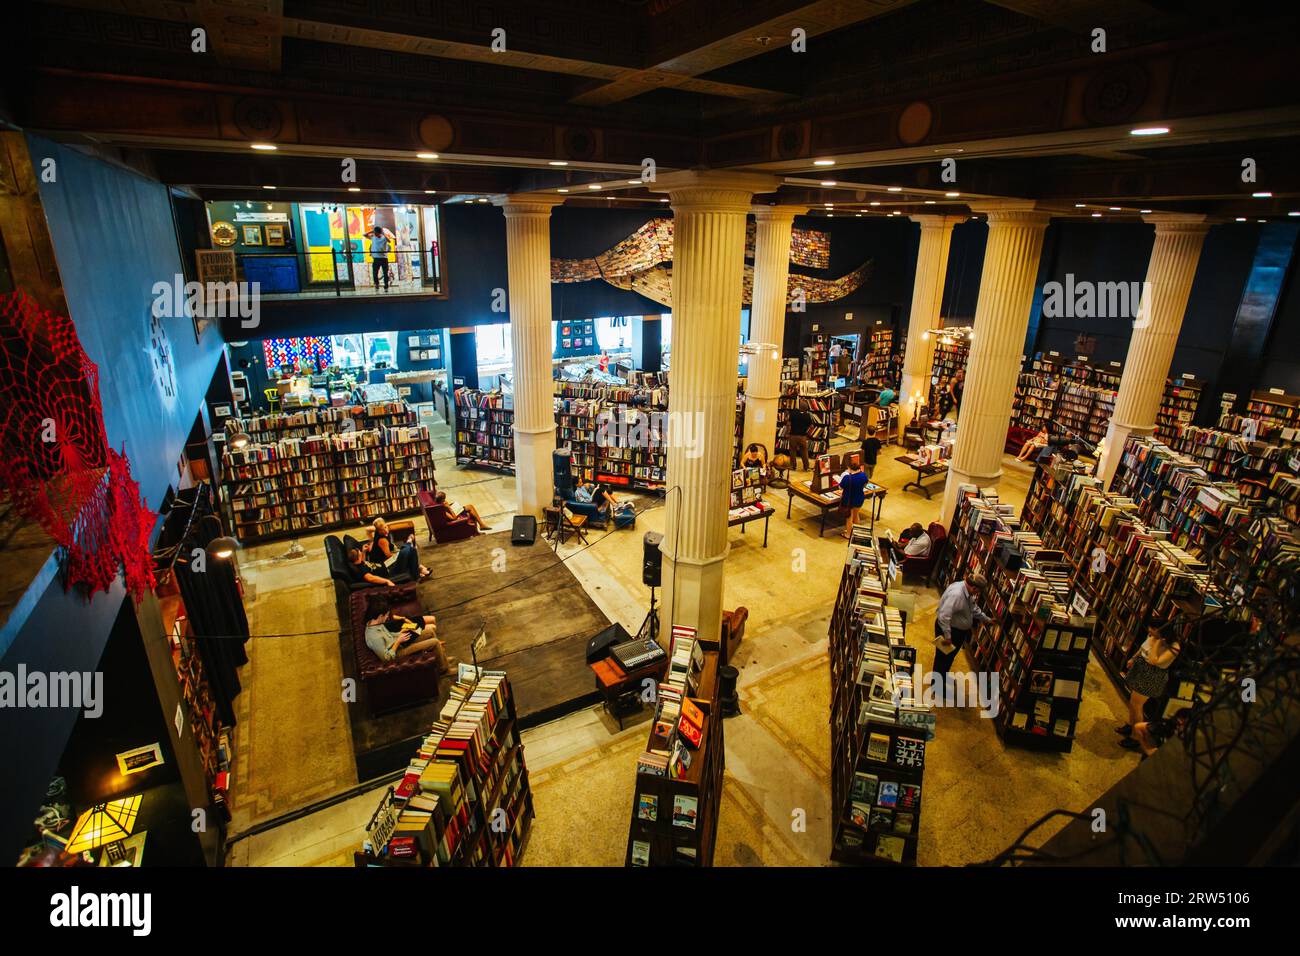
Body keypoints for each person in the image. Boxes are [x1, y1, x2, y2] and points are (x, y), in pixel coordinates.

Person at [1118, 624, 1180, 749]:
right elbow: (1142, 648)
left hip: (1152, 676)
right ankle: (1131, 726)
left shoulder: (1174, 647)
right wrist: (1133, 658)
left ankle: (1136, 737)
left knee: (1137, 706)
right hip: (1141, 670)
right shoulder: (1153, 635)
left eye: (1153, 631)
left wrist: (1157, 642)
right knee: (1132, 702)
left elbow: (1154, 661)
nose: (1150, 633)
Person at [934, 573, 992, 688]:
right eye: (978, 591)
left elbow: (973, 608)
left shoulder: (966, 590)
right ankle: (937, 686)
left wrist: (987, 619)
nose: (977, 594)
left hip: (956, 632)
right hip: (949, 631)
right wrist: (948, 636)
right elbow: (944, 616)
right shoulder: (957, 595)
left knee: (949, 657)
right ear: (974, 588)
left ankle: (943, 676)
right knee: (942, 659)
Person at [362, 599, 453, 672]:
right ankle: (443, 668)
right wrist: (398, 642)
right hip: (398, 652)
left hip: (399, 642)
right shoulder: (374, 637)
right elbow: (387, 659)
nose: (387, 617)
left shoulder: (375, 623)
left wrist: (400, 633)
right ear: (380, 616)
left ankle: (442, 658)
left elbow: (390, 636)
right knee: (435, 642)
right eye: (386, 615)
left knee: (429, 630)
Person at [346, 542, 424, 586]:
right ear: (358, 556)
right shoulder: (361, 571)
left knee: (409, 550)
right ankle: (416, 576)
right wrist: (387, 581)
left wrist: (363, 551)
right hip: (390, 571)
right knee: (408, 550)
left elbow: (364, 562)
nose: (361, 553)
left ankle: (416, 574)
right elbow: (371, 578)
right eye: (360, 553)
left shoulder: (359, 563)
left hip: (386, 564)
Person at [838, 457, 870, 539]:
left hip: (849, 499)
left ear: (849, 468)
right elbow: (865, 484)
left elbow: (840, 487)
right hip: (860, 498)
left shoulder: (847, 478)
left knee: (849, 518)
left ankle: (848, 534)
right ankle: (857, 532)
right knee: (856, 515)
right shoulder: (863, 475)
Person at [788, 400, 813, 471]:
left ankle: (793, 466)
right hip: (802, 437)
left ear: (799, 407)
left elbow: (788, 424)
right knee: (804, 452)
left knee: (792, 451)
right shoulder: (807, 415)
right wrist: (808, 434)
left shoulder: (793, 413)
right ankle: (806, 467)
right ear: (806, 409)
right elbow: (811, 426)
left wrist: (787, 433)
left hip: (793, 436)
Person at [369, 226, 393, 292]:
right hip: (376, 258)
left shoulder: (384, 238)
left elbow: (389, 241)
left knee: (385, 273)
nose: (375, 234)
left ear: (379, 232)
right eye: (374, 232)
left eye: (376, 232)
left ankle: (386, 286)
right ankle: (377, 284)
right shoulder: (373, 238)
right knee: (375, 273)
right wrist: (371, 231)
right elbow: (364, 235)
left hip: (384, 258)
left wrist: (383, 233)